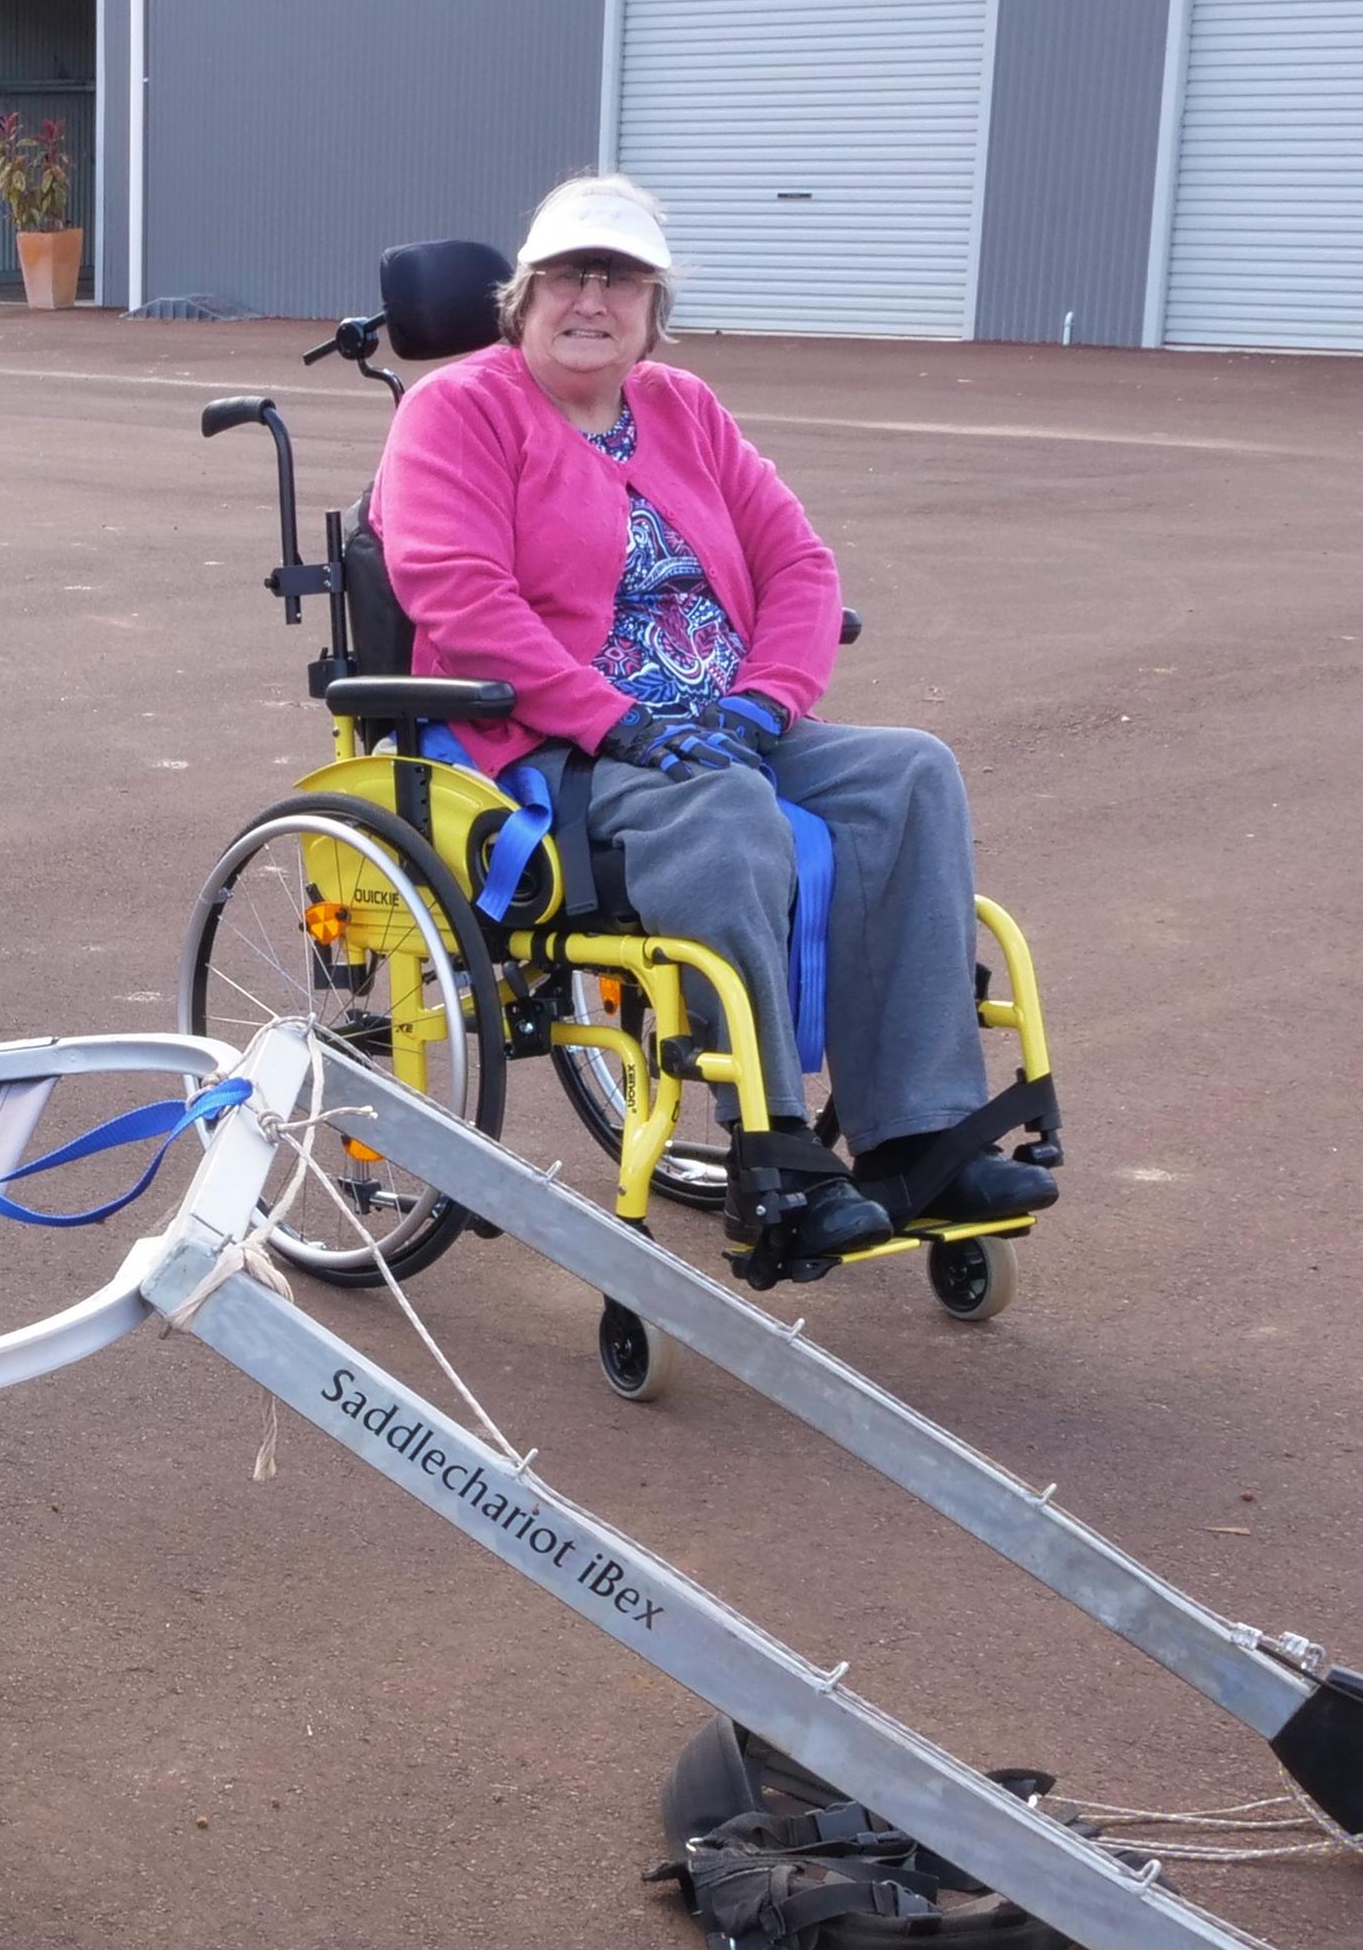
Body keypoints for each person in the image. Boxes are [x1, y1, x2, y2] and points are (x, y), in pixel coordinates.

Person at [364, 172, 1053, 1266]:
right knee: (724, 812)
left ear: (651, 309)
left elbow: (797, 564)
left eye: (620, 279)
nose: (592, 299)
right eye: (569, 276)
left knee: (911, 773)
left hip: (723, 725)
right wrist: (615, 721)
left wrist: (763, 702)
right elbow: (457, 594)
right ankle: (770, 1147)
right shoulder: (460, 410)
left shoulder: (682, 407)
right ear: (523, 296)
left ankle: (920, 1139)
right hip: (552, 744)